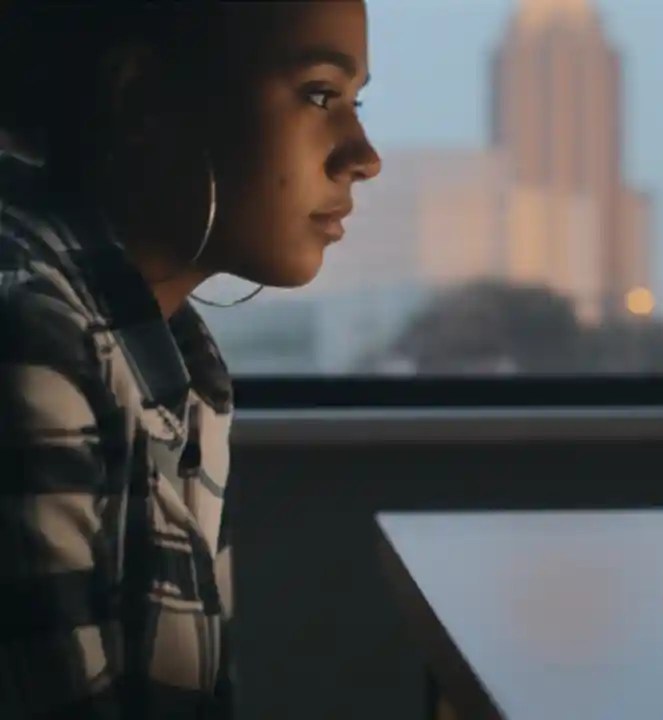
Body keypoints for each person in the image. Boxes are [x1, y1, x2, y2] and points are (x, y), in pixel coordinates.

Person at [0, 1, 381, 716]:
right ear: (142, 97)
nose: (364, 156)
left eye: (355, 102)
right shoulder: (30, 338)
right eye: (320, 95)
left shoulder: (173, 359)